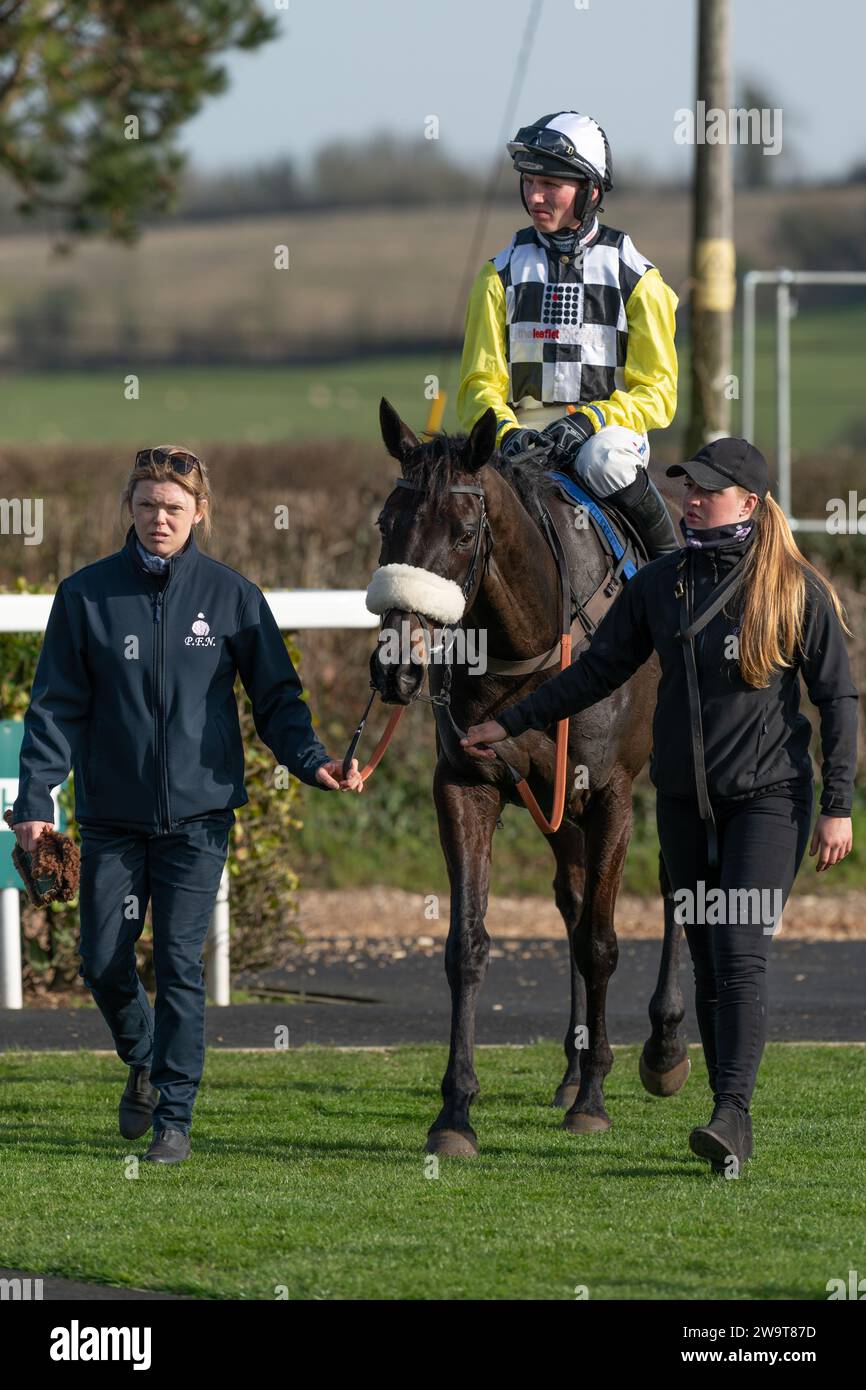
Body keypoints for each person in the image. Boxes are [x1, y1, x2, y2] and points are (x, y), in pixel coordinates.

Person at [460, 438, 858, 1174]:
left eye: (708, 489)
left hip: (768, 803)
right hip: (682, 807)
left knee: (739, 952)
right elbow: (600, 671)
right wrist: (509, 721)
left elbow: (837, 700)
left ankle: (732, 1116)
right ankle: (724, 1113)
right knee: (707, 961)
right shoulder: (660, 585)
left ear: (749, 501)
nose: (690, 498)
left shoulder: (795, 589)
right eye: (687, 487)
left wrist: (838, 805)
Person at [11, 444, 363, 1164]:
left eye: (173, 507)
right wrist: (34, 800)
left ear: (200, 512)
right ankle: (142, 1057)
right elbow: (54, 708)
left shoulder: (233, 597)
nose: (158, 518)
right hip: (110, 818)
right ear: (129, 509)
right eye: (146, 505)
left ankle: (175, 1116)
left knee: (178, 963)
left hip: (199, 822)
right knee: (102, 961)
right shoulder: (84, 595)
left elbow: (278, 701)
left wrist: (312, 762)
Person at [456, 109, 680, 559]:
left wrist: (592, 420)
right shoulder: (497, 276)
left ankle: (673, 572)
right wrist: (506, 433)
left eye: (550, 185)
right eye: (529, 182)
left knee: (606, 461)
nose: (535, 196)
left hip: (607, 433)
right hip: (520, 434)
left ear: (591, 190)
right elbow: (478, 385)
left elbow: (658, 392)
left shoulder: (638, 279)